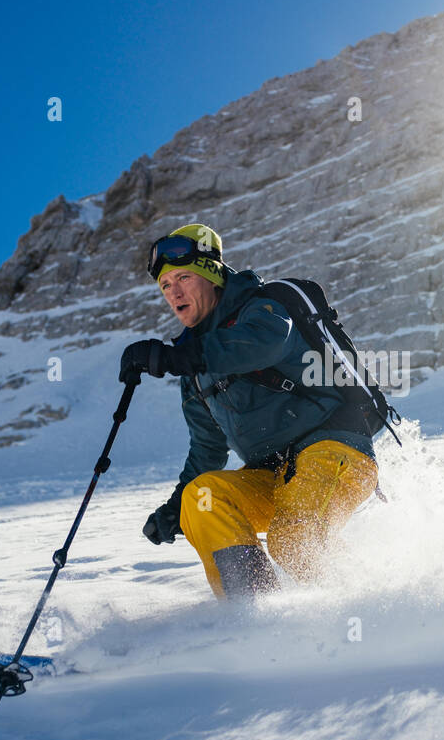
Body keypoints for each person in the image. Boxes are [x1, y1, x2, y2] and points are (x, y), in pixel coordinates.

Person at [119, 223, 380, 600]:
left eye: (183, 278)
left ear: (212, 276)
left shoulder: (262, 309)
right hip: (274, 476)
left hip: (338, 452)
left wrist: (177, 356)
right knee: (202, 496)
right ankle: (253, 612)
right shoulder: (194, 372)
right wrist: (174, 510)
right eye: (165, 286)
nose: (173, 292)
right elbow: (206, 452)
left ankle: (367, 606)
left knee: (293, 538)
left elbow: (264, 344)